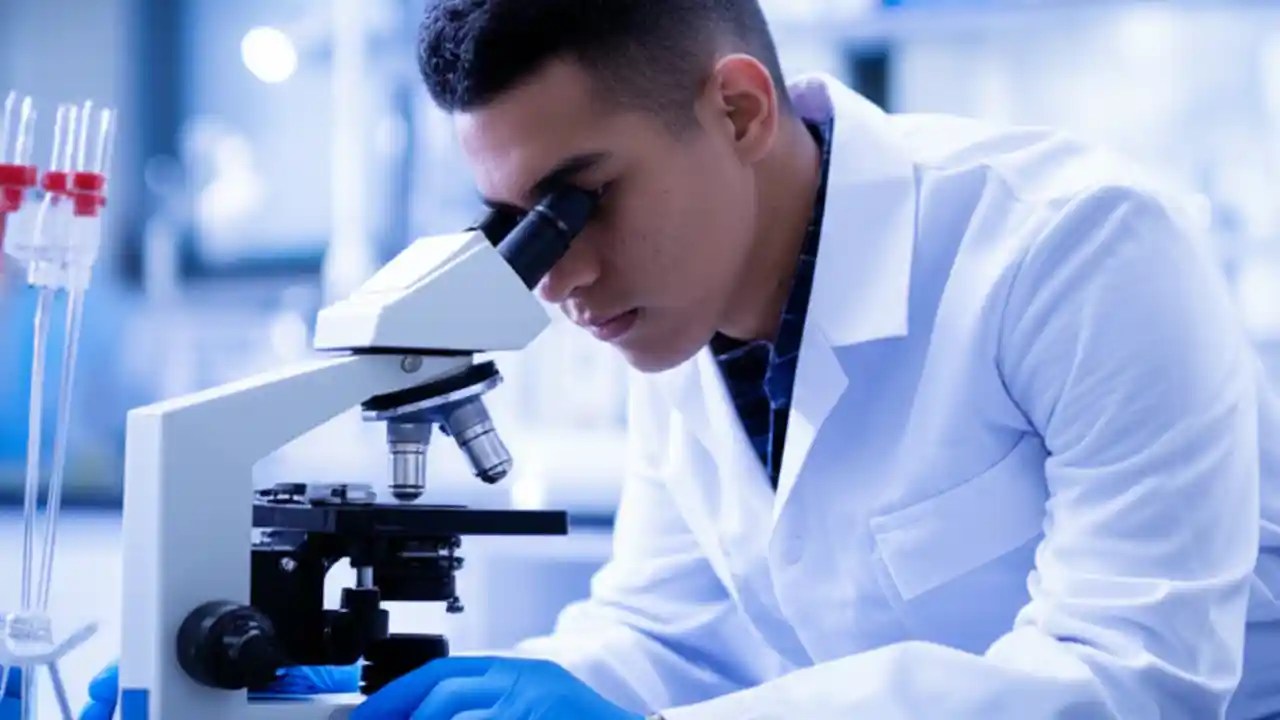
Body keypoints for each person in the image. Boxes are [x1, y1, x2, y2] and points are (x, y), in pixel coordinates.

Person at [69, 0, 1280, 717]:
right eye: (513, 226)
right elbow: (667, 642)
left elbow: (1131, 680)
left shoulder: (1071, 245)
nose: (552, 276)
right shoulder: (681, 308)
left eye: (578, 201)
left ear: (739, 111)